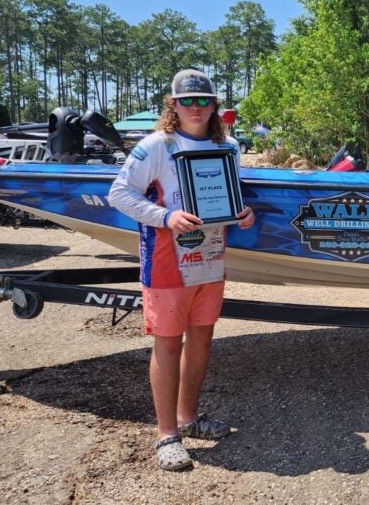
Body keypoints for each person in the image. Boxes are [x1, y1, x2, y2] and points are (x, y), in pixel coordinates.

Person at [109, 69, 255, 471]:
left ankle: (189, 418)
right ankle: (166, 435)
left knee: (203, 339)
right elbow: (119, 194)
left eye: (204, 100)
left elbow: (230, 195)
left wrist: (243, 213)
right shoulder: (156, 145)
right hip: (166, 259)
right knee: (169, 343)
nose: (196, 107)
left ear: (215, 106)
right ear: (173, 105)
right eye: (187, 101)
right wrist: (164, 216)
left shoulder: (229, 147)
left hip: (209, 256)